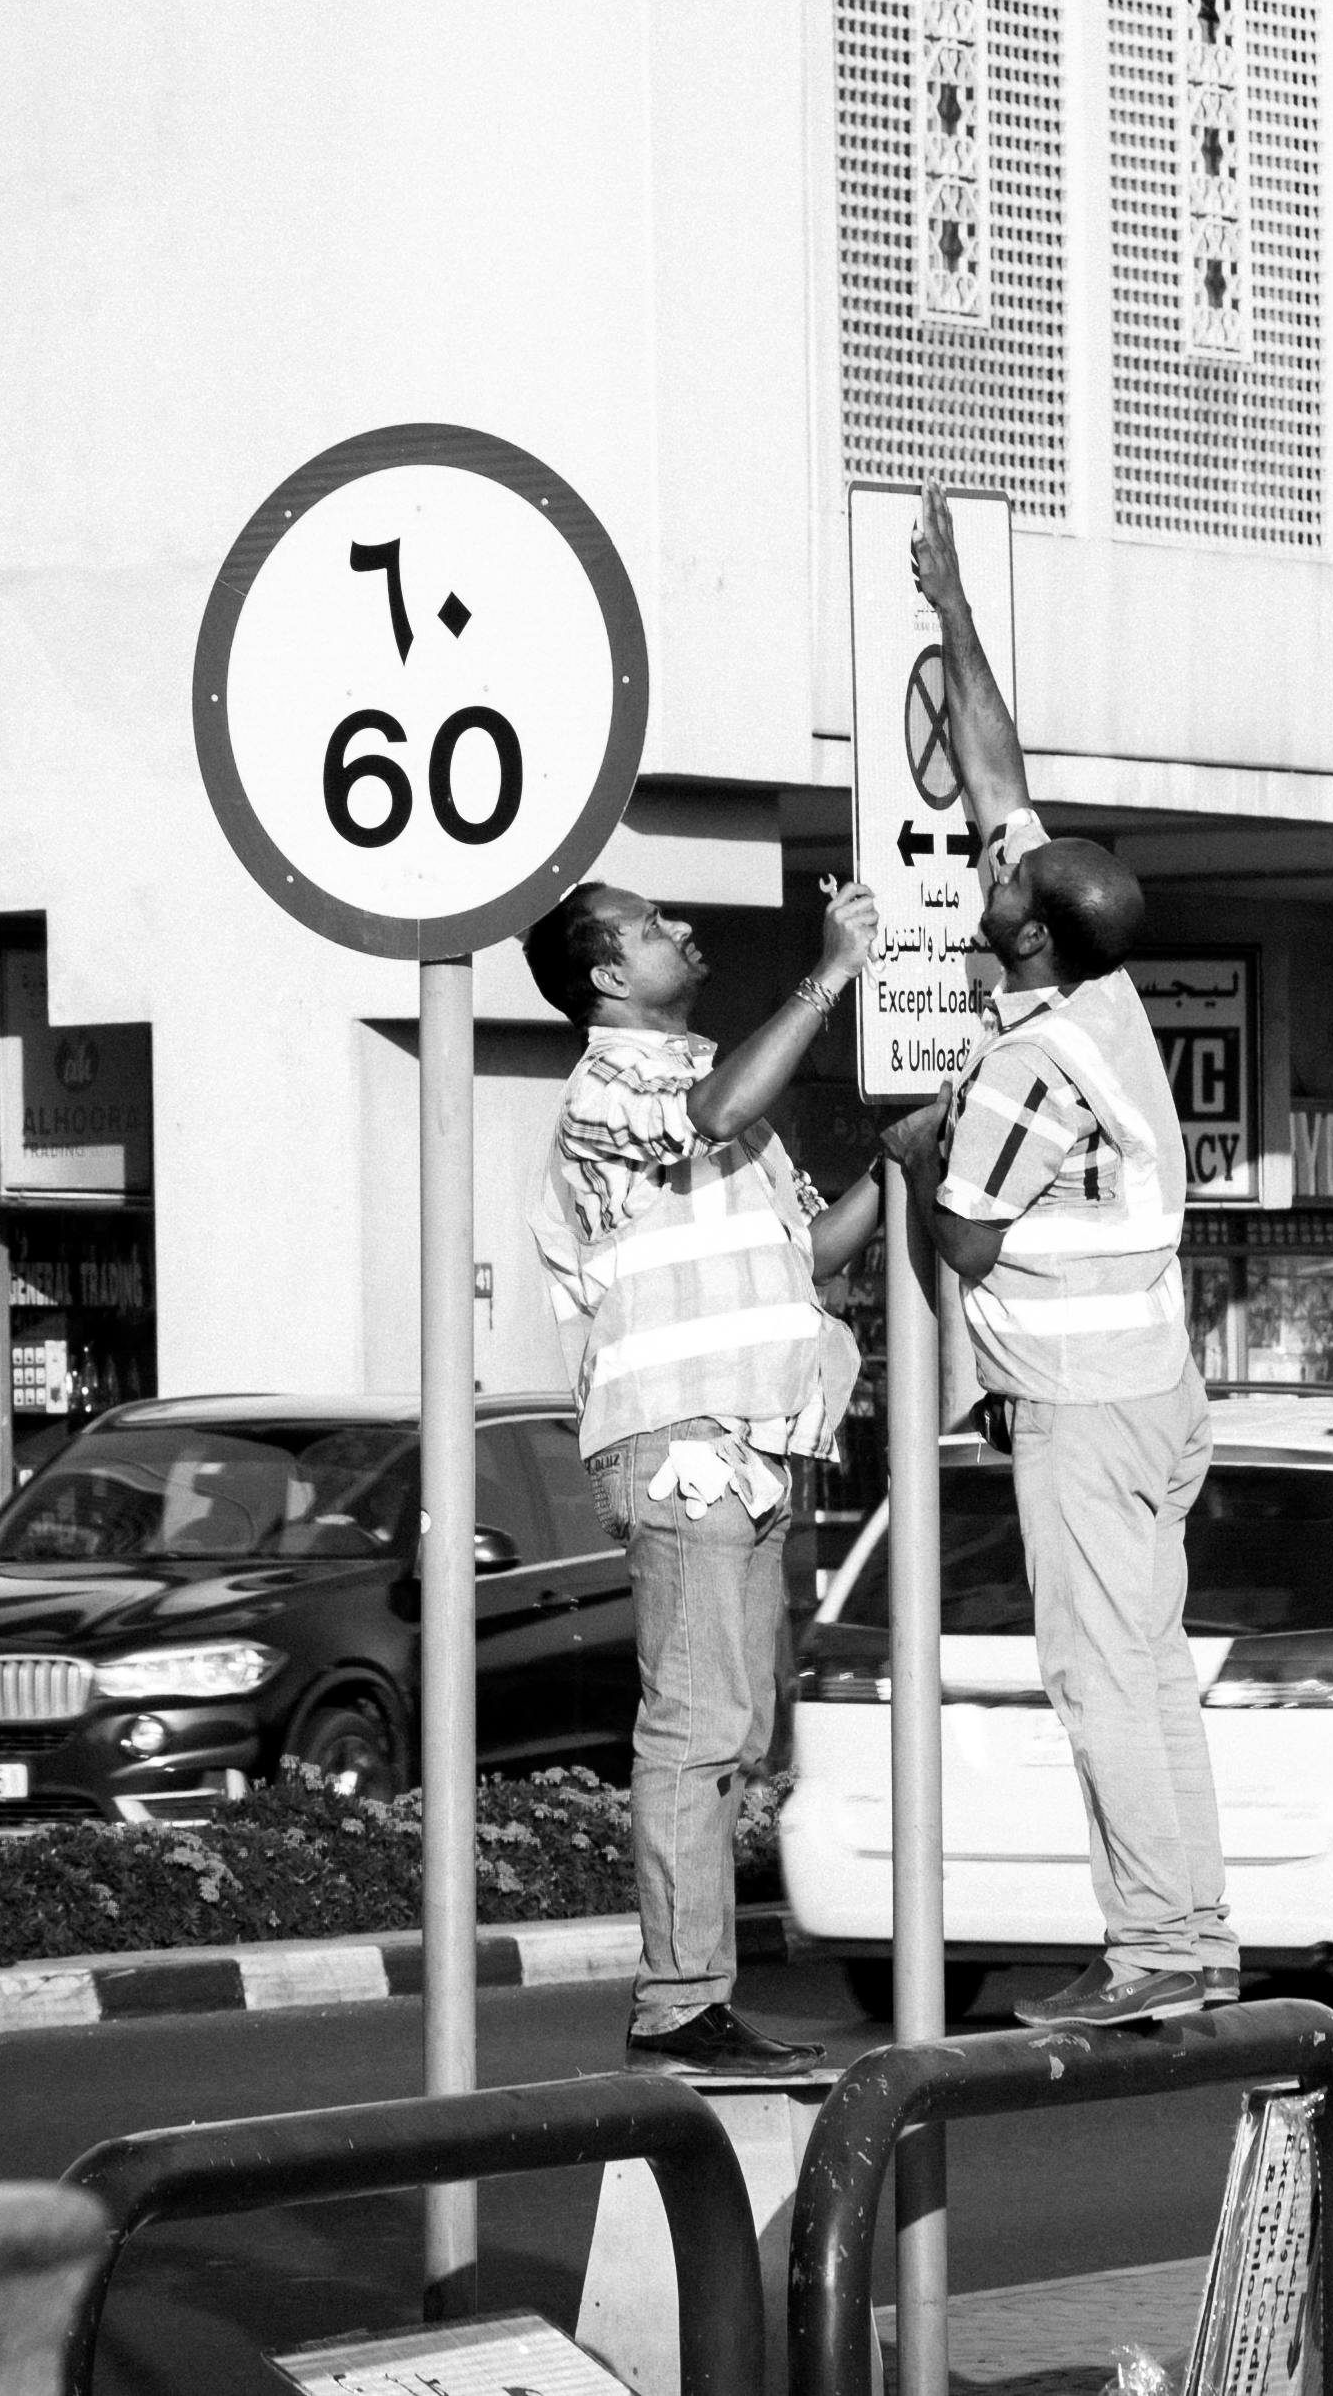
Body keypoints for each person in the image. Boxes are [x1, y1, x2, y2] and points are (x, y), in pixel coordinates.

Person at [879, 484, 1232, 2027]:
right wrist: (951, 611)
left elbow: (963, 1234)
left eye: (1008, 873)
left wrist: (913, 1146)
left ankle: (1149, 1952)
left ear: (1026, 931)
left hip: (1085, 1413)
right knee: (1149, 1672)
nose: (994, 858)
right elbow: (1000, 777)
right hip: (1155, 1392)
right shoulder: (1100, 986)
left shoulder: (1031, 1063)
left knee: (1099, 1679)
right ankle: (1193, 1933)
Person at [527, 871, 883, 2076]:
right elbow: (710, 1116)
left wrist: (896, 1166)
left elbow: (810, 1253)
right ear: (607, 976)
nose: (681, 928)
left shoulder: (722, 1092)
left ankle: (698, 1995)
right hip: (679, 1445)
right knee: (694, 1722)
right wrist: (830, 976)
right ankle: (678, 2003)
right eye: (649, 925)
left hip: (755, 1449)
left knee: (737, 1726)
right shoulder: (603, 1089)